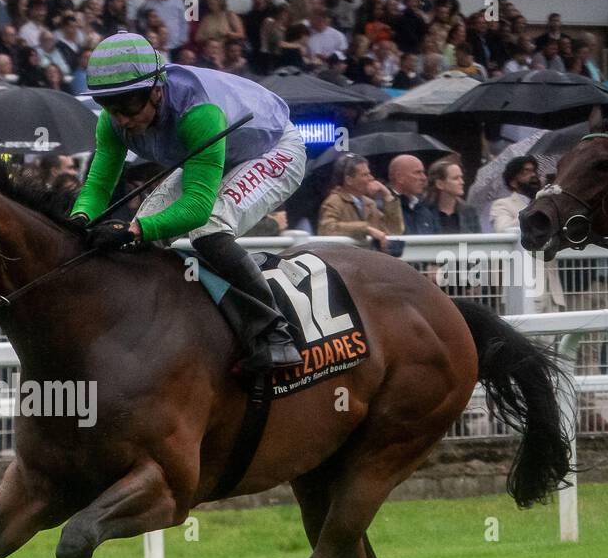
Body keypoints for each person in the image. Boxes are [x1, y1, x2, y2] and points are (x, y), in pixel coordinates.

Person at [68, 32, 305, 390]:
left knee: (207, 228)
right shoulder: (114, 120)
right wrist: (80, 221)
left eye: (128, 106)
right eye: (109, 106)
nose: (121, 120)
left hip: (272, 149)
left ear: (156, 91)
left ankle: (275, 333)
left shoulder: (197, 113)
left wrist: (133, 231)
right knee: (144, 227)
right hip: (214, 153)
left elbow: (195, 208)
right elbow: (99, 186)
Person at [317, 155, 403, 250]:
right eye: (365, 175)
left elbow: (394, 231)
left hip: (368, 260)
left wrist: (387, 195)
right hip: (345, 259)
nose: (371, 178)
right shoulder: (334, 202)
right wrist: (366, 229)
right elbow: (327, 229)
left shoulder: (369, 203)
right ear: (349, 180)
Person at [424, 157, 480, 235]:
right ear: (440, 184)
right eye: (456, 178)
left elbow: (477, 243)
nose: (462, 182)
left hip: (462, 247)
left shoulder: (469, 211)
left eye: (461, 177)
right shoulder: (424, 211)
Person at [387, 154, 438, 235]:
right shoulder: (383, 209)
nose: (424, 178)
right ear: (399, 177)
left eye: (423, 172)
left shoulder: (424, 210)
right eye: (417, 172)